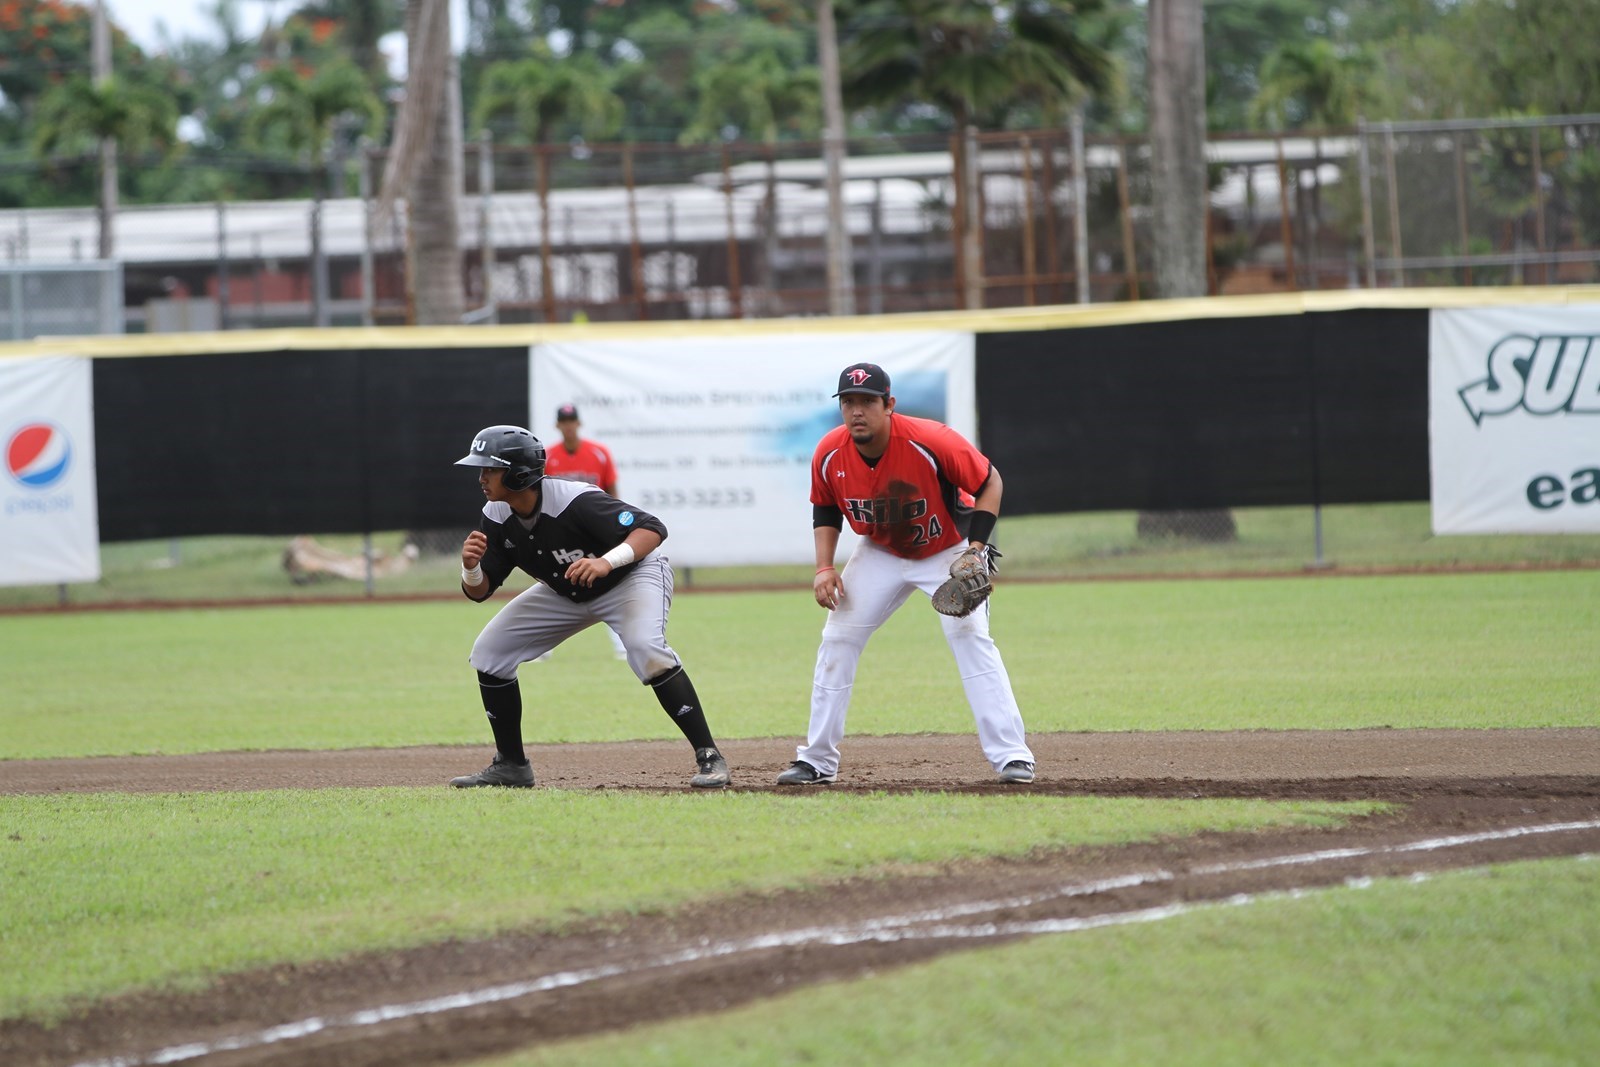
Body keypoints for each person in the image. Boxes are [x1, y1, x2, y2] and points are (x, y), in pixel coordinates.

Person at [778, 363, 1035, 786]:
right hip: (880, 550)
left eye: (867, 401)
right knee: (837, 639)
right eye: (848, 402)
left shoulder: (930, 440)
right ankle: (817, 761)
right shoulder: (829, 452)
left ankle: (1012, 756)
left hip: (946, 550)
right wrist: (825, 566)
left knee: (970, 638)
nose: (857, 410)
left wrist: (977, 548)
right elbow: (825, 508)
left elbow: (991, 481)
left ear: (889, 404)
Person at [450, 424, 730, 789]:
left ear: (518, 474)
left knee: (646, 649)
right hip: (566, 590)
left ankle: (710, 756)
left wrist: (606, 562)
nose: (482, 477)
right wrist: (470, 569)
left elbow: (652, 529)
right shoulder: (497, 514)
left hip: (629, 577)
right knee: (489, 654)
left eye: (490, 468)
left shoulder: (574, 500)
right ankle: (512, 766)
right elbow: (480, 591)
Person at [543, 402, 627, 659]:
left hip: (596, 527)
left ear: (578, 424)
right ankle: (540, 648)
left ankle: (622, 645)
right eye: (564, 422)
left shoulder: (599, 453)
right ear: (558, 425)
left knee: (612, 584)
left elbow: (612, 491)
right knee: (553, 584)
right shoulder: (548, 456)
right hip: (563, 530)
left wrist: (616, 525)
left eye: (572, 421)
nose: (568, 426)